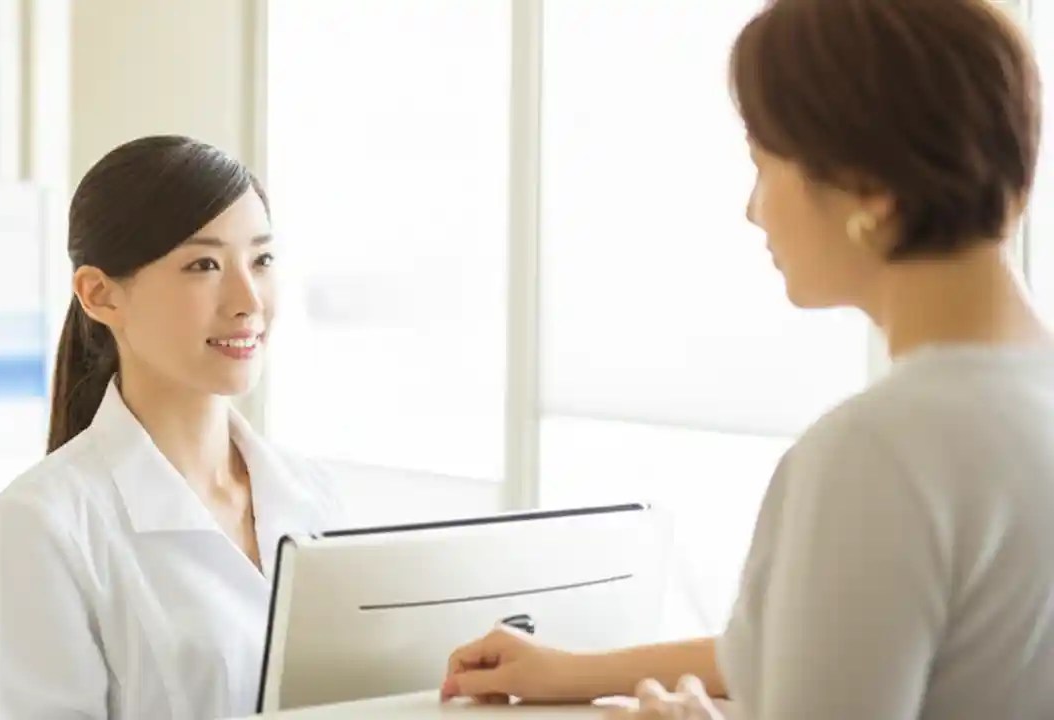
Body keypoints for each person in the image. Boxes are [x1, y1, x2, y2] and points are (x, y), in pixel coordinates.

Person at [442, 0, 1054, 718]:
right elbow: (858, 644)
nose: (753, 208)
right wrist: (577, 671)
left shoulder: (880, 452)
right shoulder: (1020, 405)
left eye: (763, 163)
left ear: (867, 187)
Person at [0, 136, 340, 719]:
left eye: (261, 260)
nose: (247, 301)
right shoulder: (34, 529)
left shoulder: (314, 495)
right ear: (100, 295)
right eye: (204, 265)